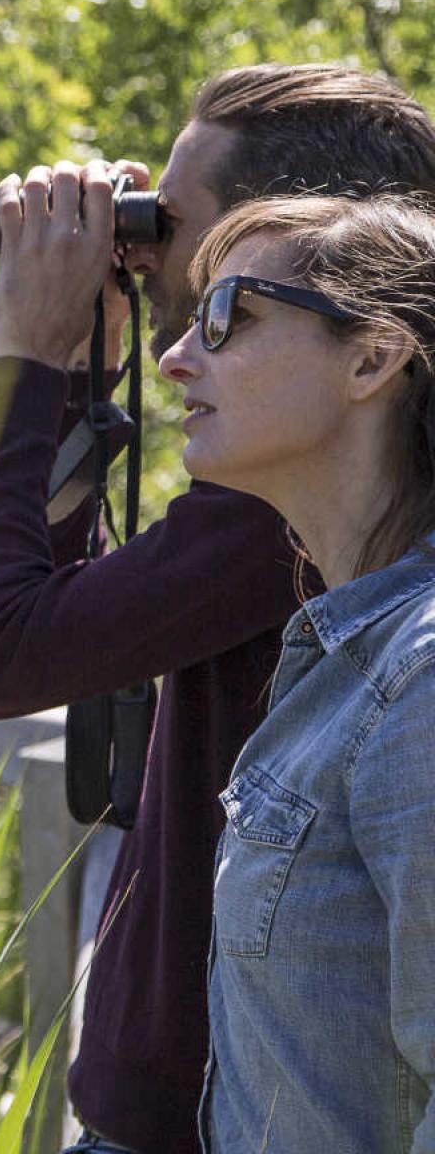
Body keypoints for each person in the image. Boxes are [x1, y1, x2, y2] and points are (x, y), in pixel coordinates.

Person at [0, 63, 435, 1154]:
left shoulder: (304, 507)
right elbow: (69, 616)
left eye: (178, 228)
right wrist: (80, 367)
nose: (145, 249)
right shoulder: (289, 489)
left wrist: (26, 351)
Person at [159, 194, 435, 1149]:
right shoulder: (351, 655)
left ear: (373, 357)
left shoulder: (422, 682)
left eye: (230, 317)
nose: (178, 356)